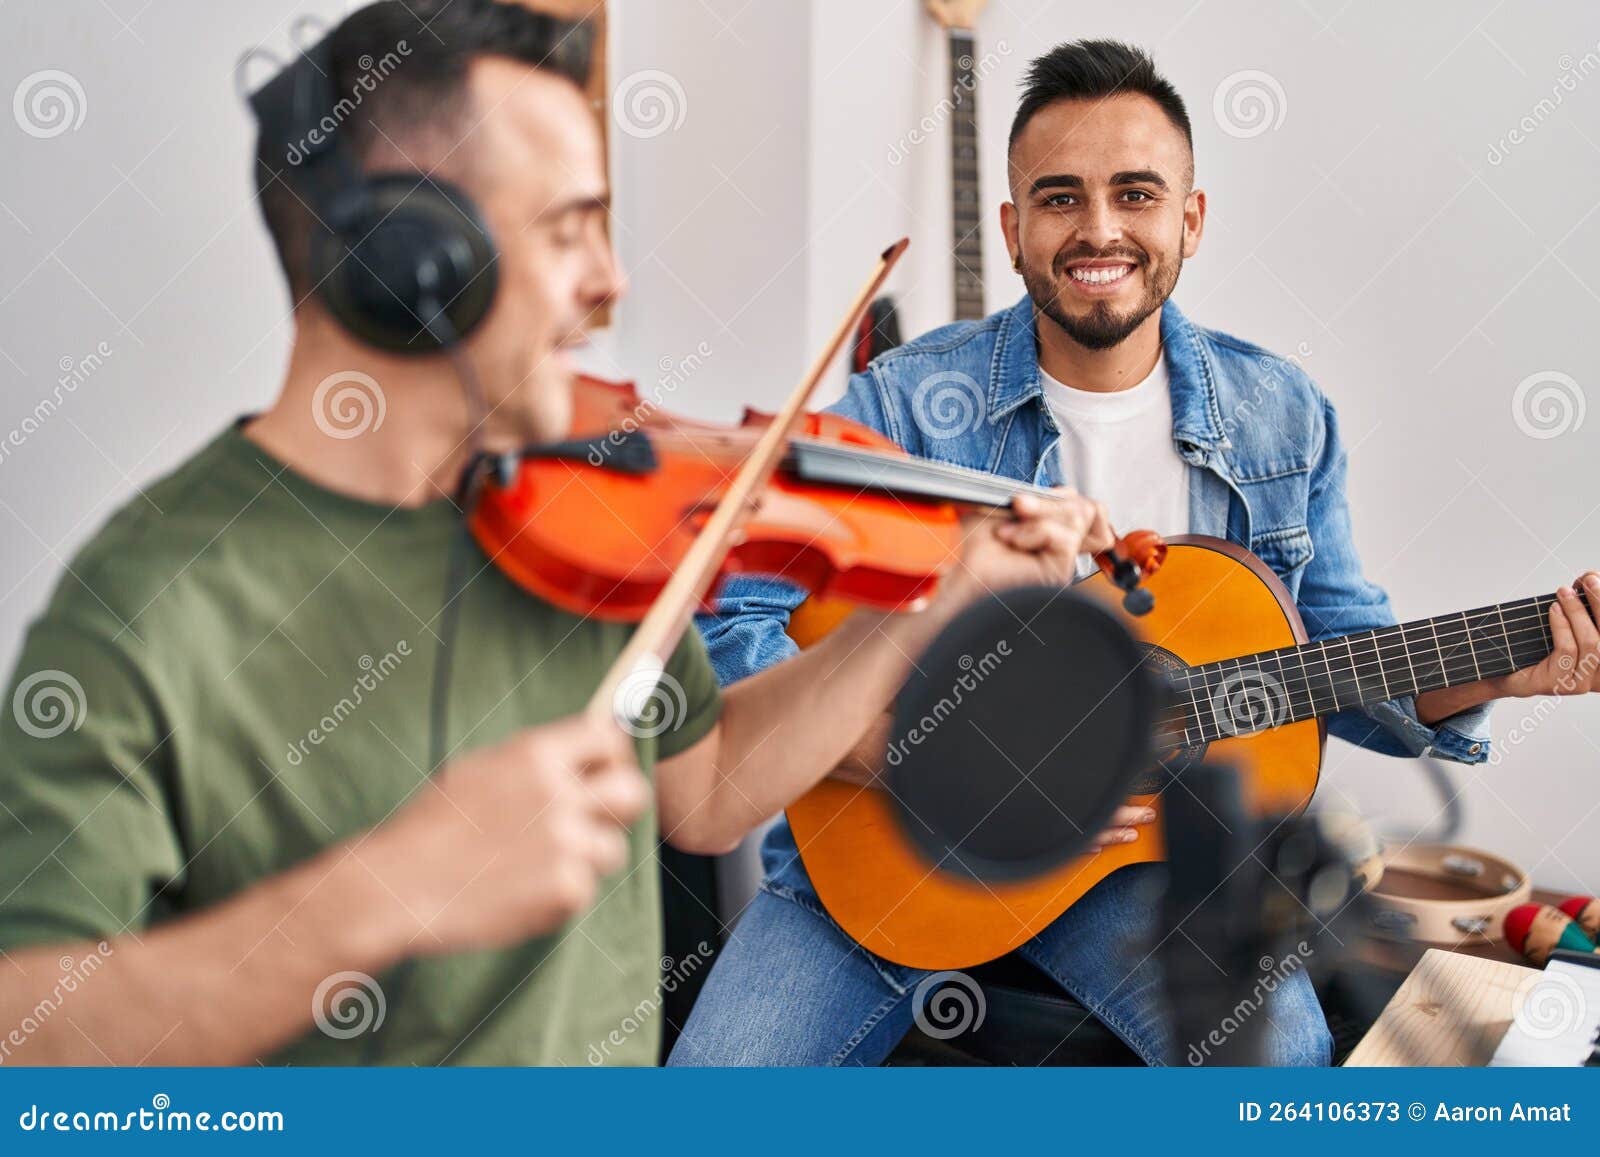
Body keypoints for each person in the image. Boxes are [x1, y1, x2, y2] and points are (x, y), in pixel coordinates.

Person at [0, 2, 1116, 1066]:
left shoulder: (584, 518)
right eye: (569, 230)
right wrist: (388, 889)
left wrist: (925, 611)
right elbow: (25, 1032)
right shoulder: (148, 598)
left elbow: (713, 785)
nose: (611, 281)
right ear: (411, 262)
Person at [670, 39, 1600, 1067]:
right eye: (1061, 198)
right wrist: (917, 759)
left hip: (1136, 874)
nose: (1099, 229)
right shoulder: (899, 406)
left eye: (1135, 193)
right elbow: (735, 630)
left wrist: (1504, 668)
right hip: (884, 853)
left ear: (1188, 220)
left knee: (1280, 1068)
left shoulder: (1281, 414)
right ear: (1014, 228)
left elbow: (1339, 654)